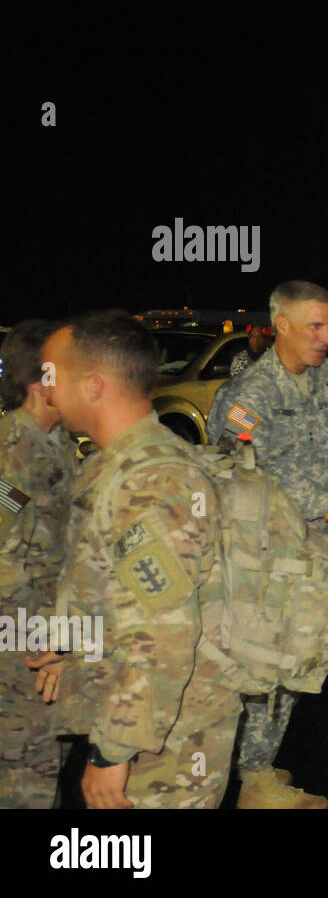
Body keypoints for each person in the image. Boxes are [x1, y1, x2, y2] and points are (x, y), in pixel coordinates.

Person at [42, 310, 242, 808]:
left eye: (52, 375)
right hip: (140, 715)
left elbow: (163, 632)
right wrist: (67, 640)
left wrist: (114, 754)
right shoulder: (113, 466)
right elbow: (112, 589)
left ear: (92, 385)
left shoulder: (151, 482)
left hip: (168, 741)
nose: (44, 388)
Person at [209, 280, 328, 808]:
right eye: (315, 326)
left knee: (298, 661)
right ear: (280, 325)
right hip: (266, 558)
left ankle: (255, 765)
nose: (327, 336)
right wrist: (322, 500)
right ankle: (250, 774)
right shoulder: (248, 396)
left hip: (320, 556)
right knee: (261, 664)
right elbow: (236, 473)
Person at [0, 321, 78, 808]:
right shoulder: (12, 453)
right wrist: (48, 643)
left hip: (49, 633)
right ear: (39, 380)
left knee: (49, 763)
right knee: (24, 777)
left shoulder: (59, 441)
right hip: (23, 649)